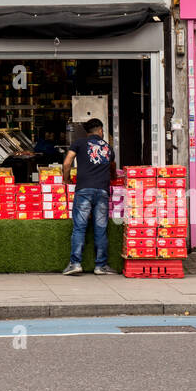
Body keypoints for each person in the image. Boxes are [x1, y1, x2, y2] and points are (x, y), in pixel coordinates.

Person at [61, 118, 115, 276]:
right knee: (101, 229)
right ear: (101, 131)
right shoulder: (108, 147)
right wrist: (111, 177)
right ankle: (101, 266)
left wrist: (66, 179)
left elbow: (67, 163)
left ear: (87, 132)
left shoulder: (79, 143)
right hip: (102, 191)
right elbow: (112, 166)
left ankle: (75, 264)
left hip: (84, 190)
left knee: (79, 227)